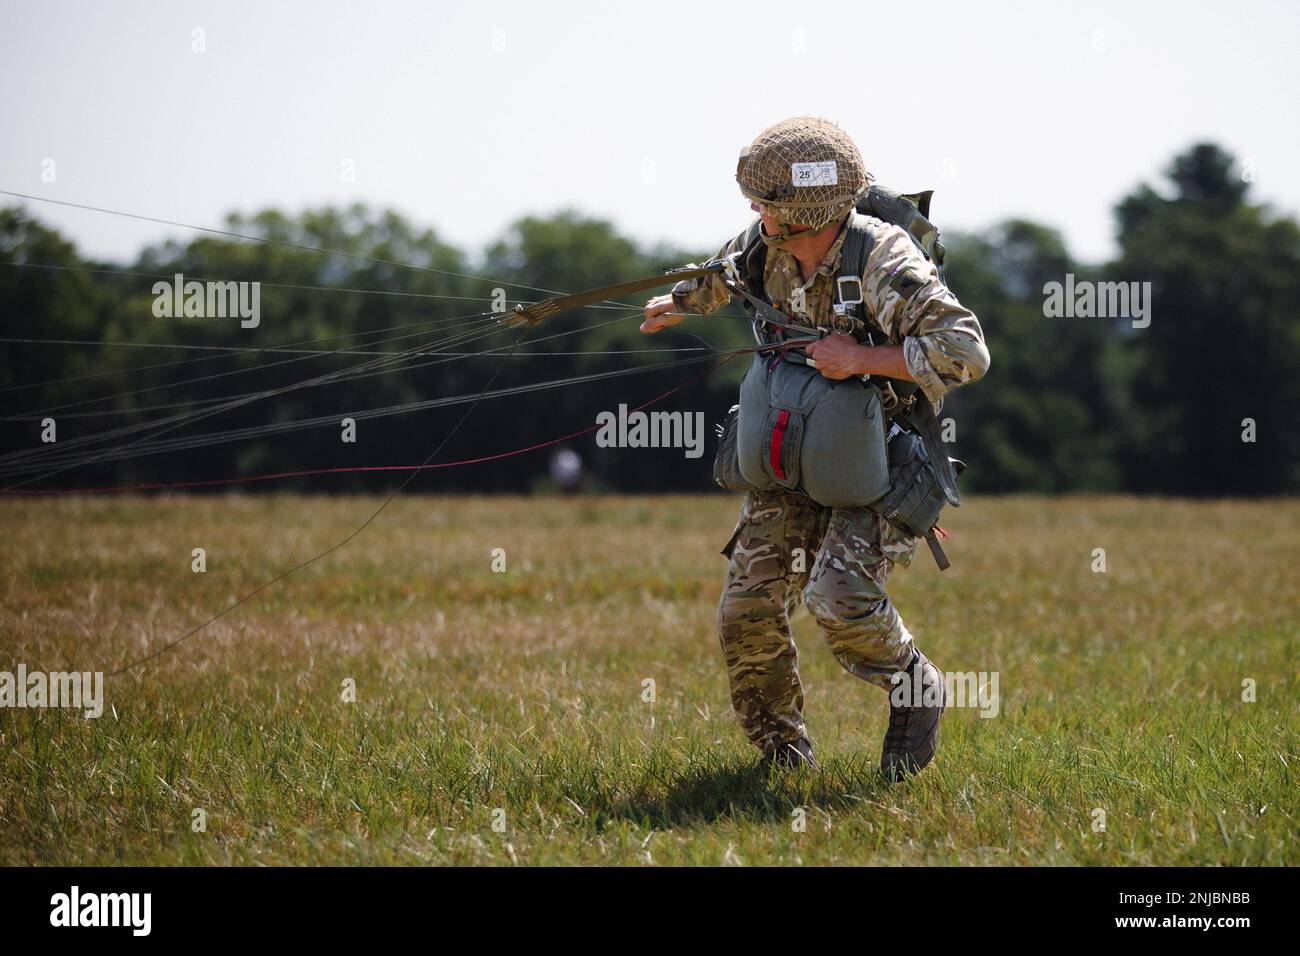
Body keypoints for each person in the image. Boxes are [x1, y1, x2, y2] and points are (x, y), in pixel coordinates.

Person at [640, 117, 989, 778]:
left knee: (838, 594)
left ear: (804, 213)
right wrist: (679, 304)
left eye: (766, 203)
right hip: (789, 454)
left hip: (880, 461)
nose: (754, 211)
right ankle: (782, 753)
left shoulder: (884, 259)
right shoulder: (763, 245)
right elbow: (721, 276)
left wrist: (862, 356)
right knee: (746, 607)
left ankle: (916, 689)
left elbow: (966, 352)